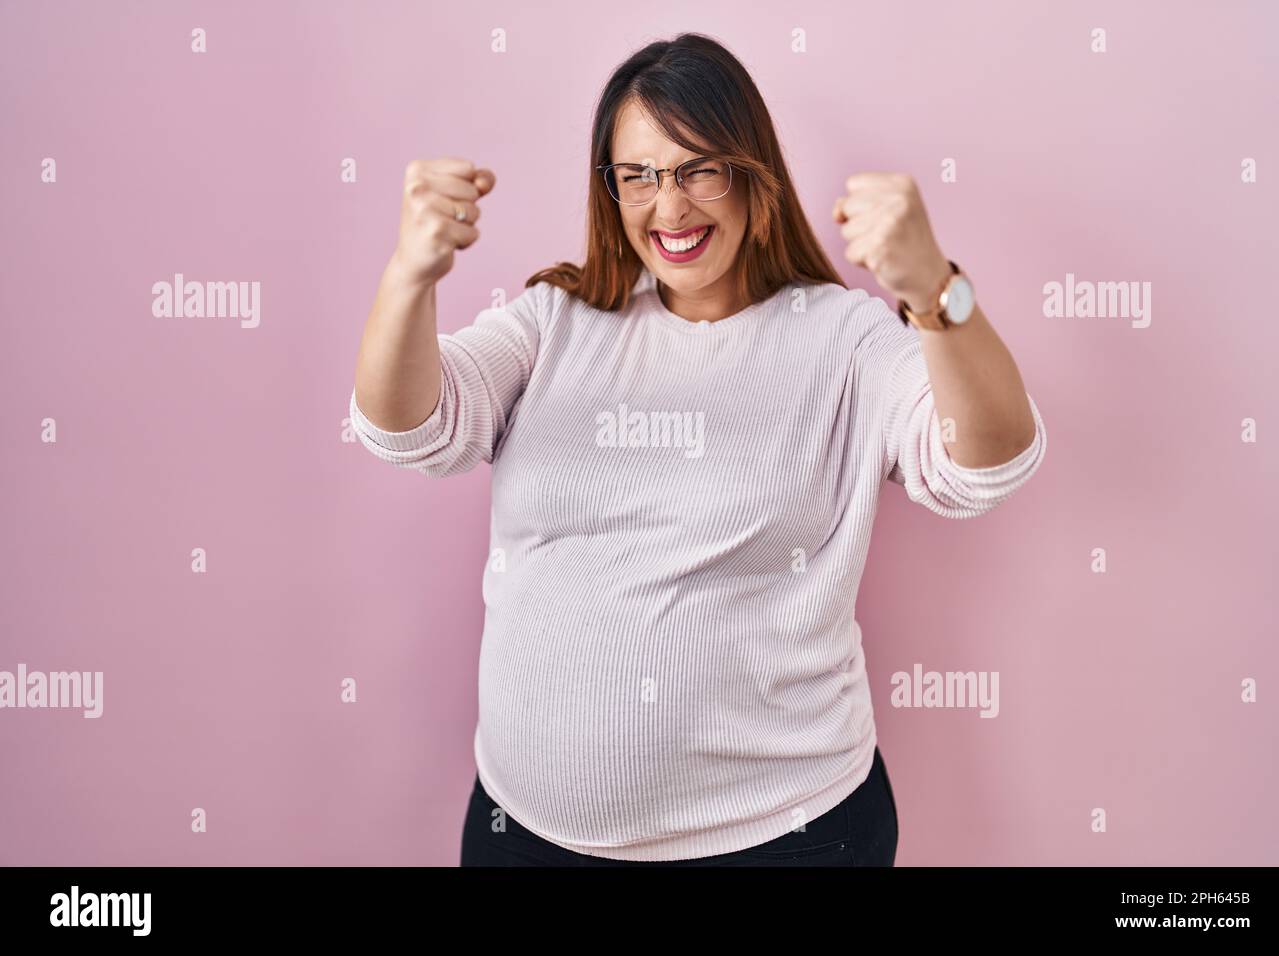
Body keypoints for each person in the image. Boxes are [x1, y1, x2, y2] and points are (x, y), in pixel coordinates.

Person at [348, 32, 1046, 867]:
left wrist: (935, 291)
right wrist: (409, 276)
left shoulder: (842, 337)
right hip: (526, 835)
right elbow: (408, 430)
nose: (668, 208)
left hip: (785, 837)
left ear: (756, 177)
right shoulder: (555, 321)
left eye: (699, 169)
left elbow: (986, 463)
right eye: (638, 175)